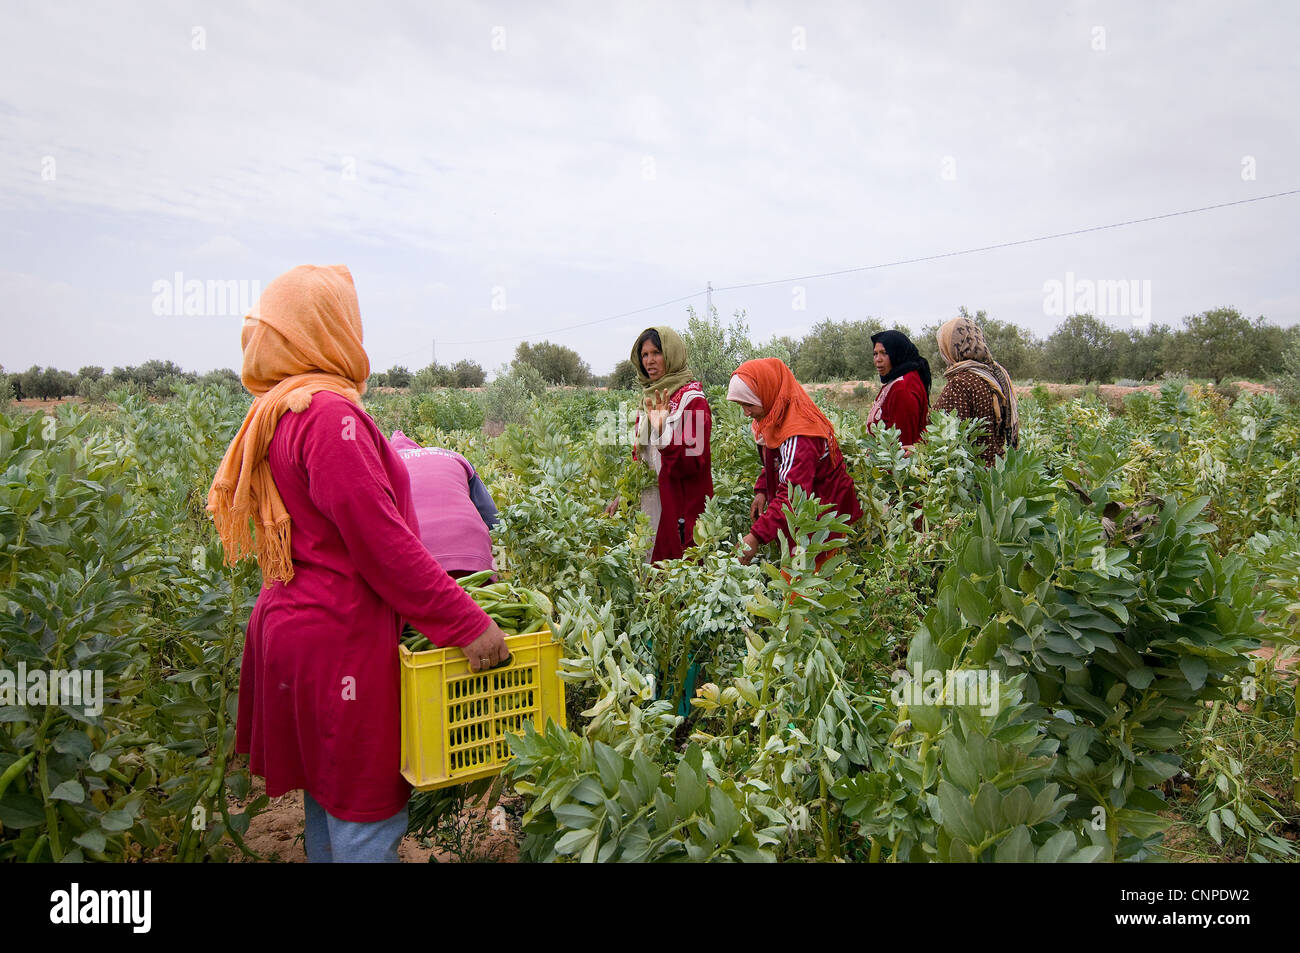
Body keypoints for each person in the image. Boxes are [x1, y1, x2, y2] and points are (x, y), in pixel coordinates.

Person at [207, 264, 508, 863]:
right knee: (366, 815)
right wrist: (468, 623)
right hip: (337, 638)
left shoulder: (279, 411)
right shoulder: (324, 415)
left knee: (328, 799)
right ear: (328, 328)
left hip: (295, 628)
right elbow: (381, 544)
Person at [727, 358, 862, 566]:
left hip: (823, 516)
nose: (746, 412)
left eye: (748, 404)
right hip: (806, 514)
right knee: (798, 578)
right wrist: (762, 488)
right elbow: (776, 458)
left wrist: (755, 537)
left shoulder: (800, 434)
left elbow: (792, 496)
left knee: (804, 582)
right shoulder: (776, 414)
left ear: (767, 392)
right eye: (741, 405)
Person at [606, 326, 713, 562]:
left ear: (672, 354)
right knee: (655, 580)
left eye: (656, 353)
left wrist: (664, 431)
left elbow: (692, 463)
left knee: (682, 580)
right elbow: (641, 457)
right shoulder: (650, 400)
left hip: (682, 510)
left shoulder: (692, 401)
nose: (649, 361)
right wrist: (624, 494)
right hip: (654, 505)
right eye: (644, 355)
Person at [388, 431, 498, 577]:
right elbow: (493, 519)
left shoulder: (381, 467)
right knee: (482, 597)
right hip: (474, 554)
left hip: (416, 559)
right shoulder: (454, 457)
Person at [933, 316, 1020, 467]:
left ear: (951, 347)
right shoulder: (993, 376)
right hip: (995, 470)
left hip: (969, 479)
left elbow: (948, 439)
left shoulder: (960, 383)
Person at [868, 329, 932, 449]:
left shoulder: (903, 388)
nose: (878, 359)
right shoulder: (897, 380)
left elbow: (901, 446)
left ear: (897, 353)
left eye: (884, 353)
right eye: (875, 354)